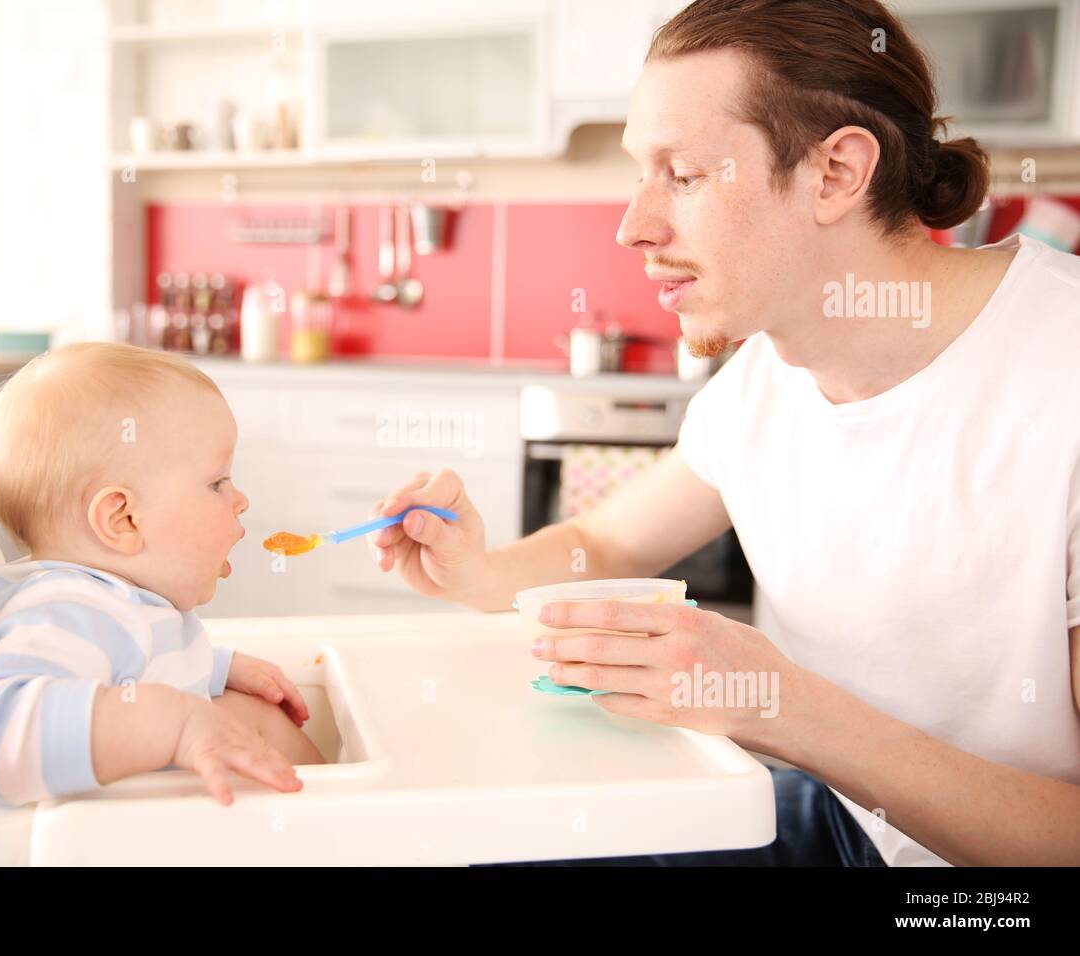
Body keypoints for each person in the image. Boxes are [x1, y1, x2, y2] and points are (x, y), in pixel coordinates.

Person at [367, 0, 1080, 866]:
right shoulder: (759, 383)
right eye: (641, 172)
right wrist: (476, 569)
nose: (633, 226)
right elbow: (605, 539)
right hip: (851, 823)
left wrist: (777, 703)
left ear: (836, 173)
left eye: (686, 174)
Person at [0, 342, 321, 808]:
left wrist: (217, 667)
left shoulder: (119, 605)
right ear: (123, 519)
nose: (241, 499)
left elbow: (135, 669)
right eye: (216, 482)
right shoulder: (70, 609)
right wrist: (178, 724)